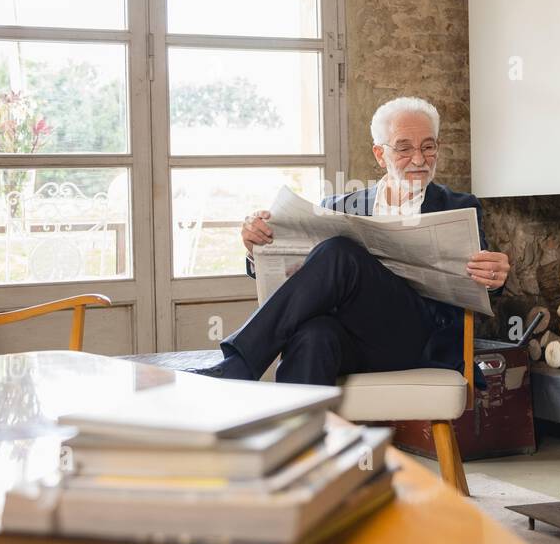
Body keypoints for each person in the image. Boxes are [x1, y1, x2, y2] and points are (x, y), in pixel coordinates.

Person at [193, 96, 510, 385]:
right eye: (404, 148)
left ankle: (240, 364)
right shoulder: (339, 206)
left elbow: (482, 287)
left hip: (419, 340)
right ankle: (300, 441)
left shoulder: (458, 206)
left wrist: (494, 279)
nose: (419, 159)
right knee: (313, 335)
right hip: (353, 340)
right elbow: (300, 274)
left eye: (429, 147)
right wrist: (257, 249)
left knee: (340, 253)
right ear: (379, 154)